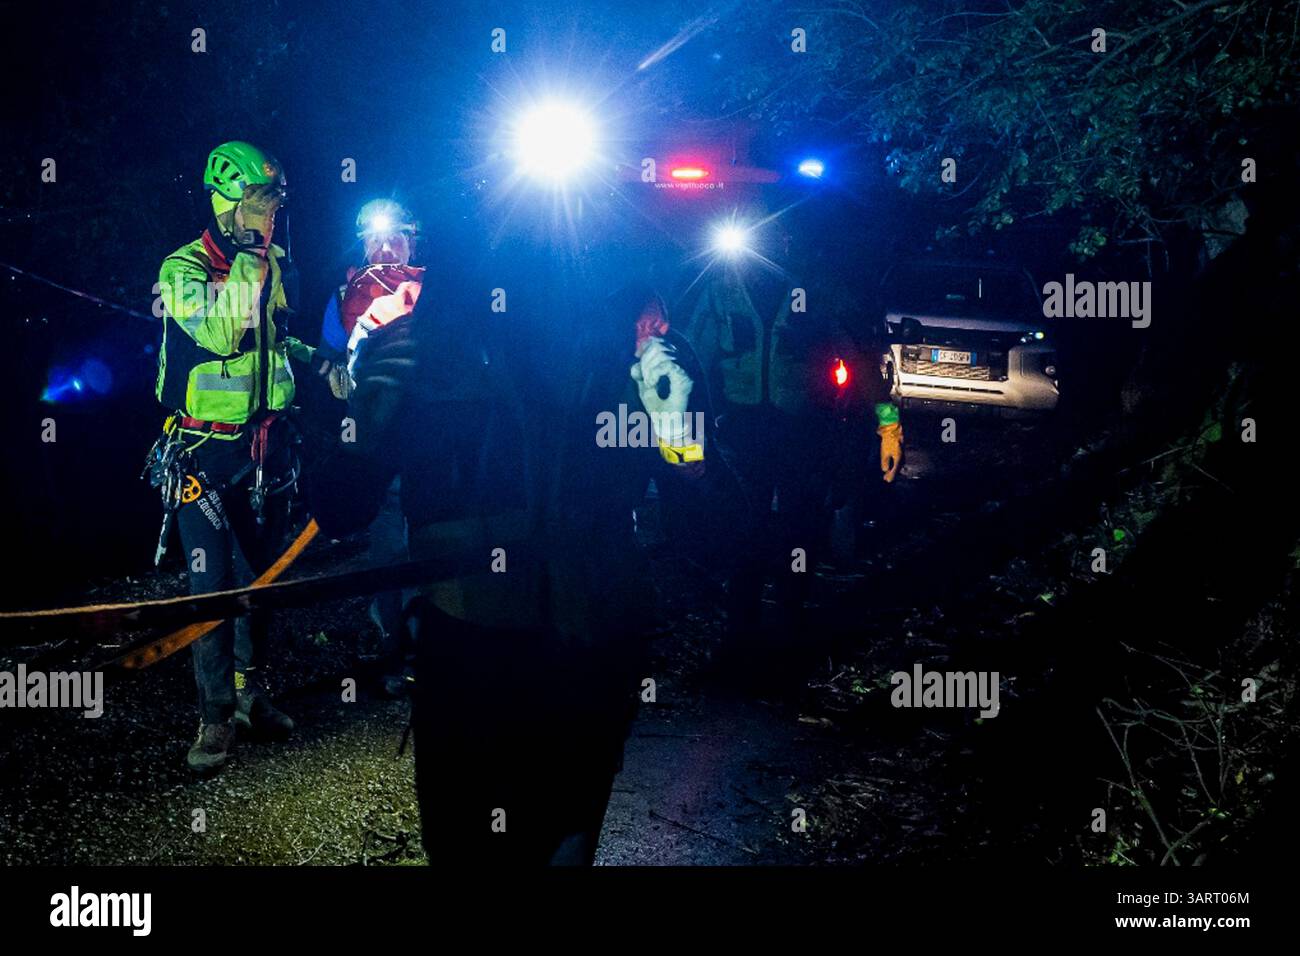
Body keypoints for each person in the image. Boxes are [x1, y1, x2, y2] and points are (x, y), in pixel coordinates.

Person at [153, 140, 312, 774]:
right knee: (209, 587)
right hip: (200, 457)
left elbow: (271, 339)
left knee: (260, 583)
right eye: (256, 200)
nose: (268, 212)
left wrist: (316, 362)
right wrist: (251, 257)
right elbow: (222, 332)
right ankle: (214, 718)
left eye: (272, 201)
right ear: (225, 203)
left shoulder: (271, 263)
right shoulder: (181, 270)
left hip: (263, 451)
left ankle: (253, 697)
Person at [685, 221, 902, 657]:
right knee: (745, 526)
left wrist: (888, 424)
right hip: (742, 429)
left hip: (800, 430)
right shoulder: (720, 292)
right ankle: (740, 628)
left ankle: (791, 621)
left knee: (800, 524)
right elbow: (691, 361)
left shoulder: (813, 296)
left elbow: (860, 364)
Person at [315, 199, 424, 695]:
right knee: (387, 547)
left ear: (413, 240)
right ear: (361, 243)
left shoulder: (431, 291)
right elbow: (328, 356)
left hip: (430, 438)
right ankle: (392, 648)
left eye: (396, 238)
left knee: (429, 539)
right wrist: (334, 375)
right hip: (376, 441)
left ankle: (433, 644)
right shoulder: (342, 296)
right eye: (375, 239)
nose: (384, 248)